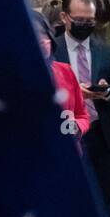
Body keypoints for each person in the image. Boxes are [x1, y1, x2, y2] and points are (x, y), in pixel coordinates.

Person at [52, 0, 110, 217]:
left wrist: (106, 92)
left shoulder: (106, 50)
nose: (86, 25)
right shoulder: (52, 48)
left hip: (102, 133)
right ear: (65, 17)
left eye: (90, 20)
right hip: (67, 134)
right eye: (80, 20)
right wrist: (74, 94)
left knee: (105, 202)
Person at [32, 10, 89, 147]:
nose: (40, 40)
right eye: (32, 35)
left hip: (68, 155)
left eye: (43, 33)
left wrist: (76, 127)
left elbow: (82, 115)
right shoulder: (7, 78)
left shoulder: (65, 70)